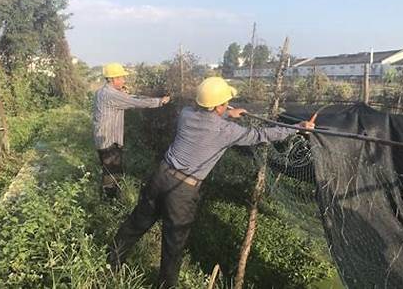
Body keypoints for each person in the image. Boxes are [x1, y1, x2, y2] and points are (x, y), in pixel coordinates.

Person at [108, 77, 314, 288]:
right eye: (225, 102)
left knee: (137, 222)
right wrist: (296, 127)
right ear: (218, 106)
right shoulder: (226, 131)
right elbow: (260, 135)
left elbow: (208, 117)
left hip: (160, 176)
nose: (227, 105)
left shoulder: (186, 114)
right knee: (173, 244)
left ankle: (111, 262)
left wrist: (227, 113)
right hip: (183, 191)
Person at [93, 62, 170, 199]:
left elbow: (129, 98)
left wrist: (123, 93)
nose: (124, 80)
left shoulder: (102, 92)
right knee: (112, 172)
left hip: (104, 138)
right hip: (109, 140)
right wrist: (160, 101)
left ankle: (109, 197)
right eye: (121, 78)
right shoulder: (111, 95)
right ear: (114, 79)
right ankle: (109, 202)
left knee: (110, 170)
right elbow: (136, 103)